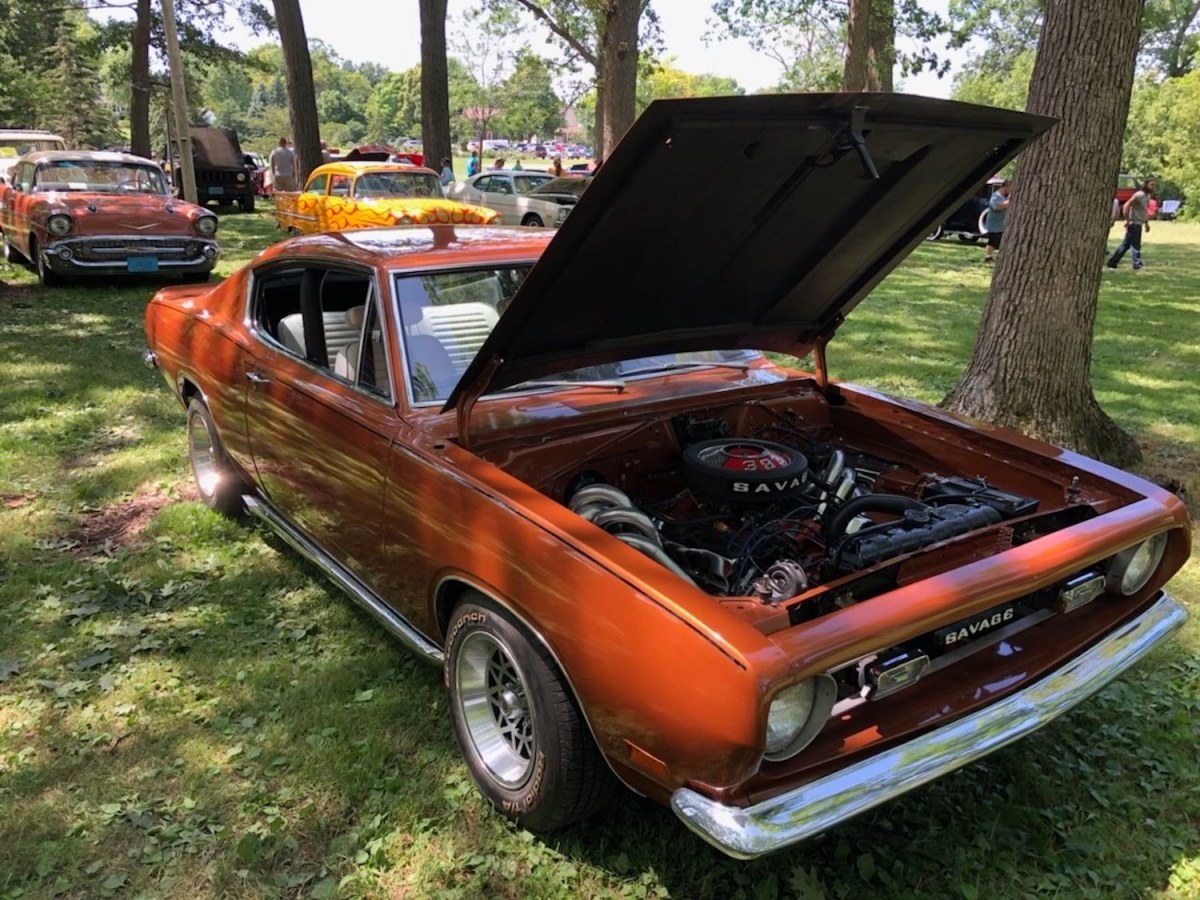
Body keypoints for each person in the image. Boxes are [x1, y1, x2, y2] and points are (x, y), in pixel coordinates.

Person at [1107, 177, 1157, 270]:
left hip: (1139, 222)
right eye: (1151, 185)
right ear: (1146, 185)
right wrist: (1127, 219)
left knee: (1126, 244)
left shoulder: (1147, 196)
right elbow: (1126, 205)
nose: (1153, 187)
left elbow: (1144, 210)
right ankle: (1137, 263)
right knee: (1135, 244)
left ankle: (1113, 261)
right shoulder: (1139, 195)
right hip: (1134, 223)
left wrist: (1146, 223)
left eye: (1154, 185)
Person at [983, 178, 1010, 263]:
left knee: (994, 242)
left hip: (1001, 225)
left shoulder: (1004, 197)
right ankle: (988, 257)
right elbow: (996, 206)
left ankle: (989, 257)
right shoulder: (996, 196)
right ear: (1006, 186)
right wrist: (1009, 201)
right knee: (994, 242)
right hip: (994, 224)